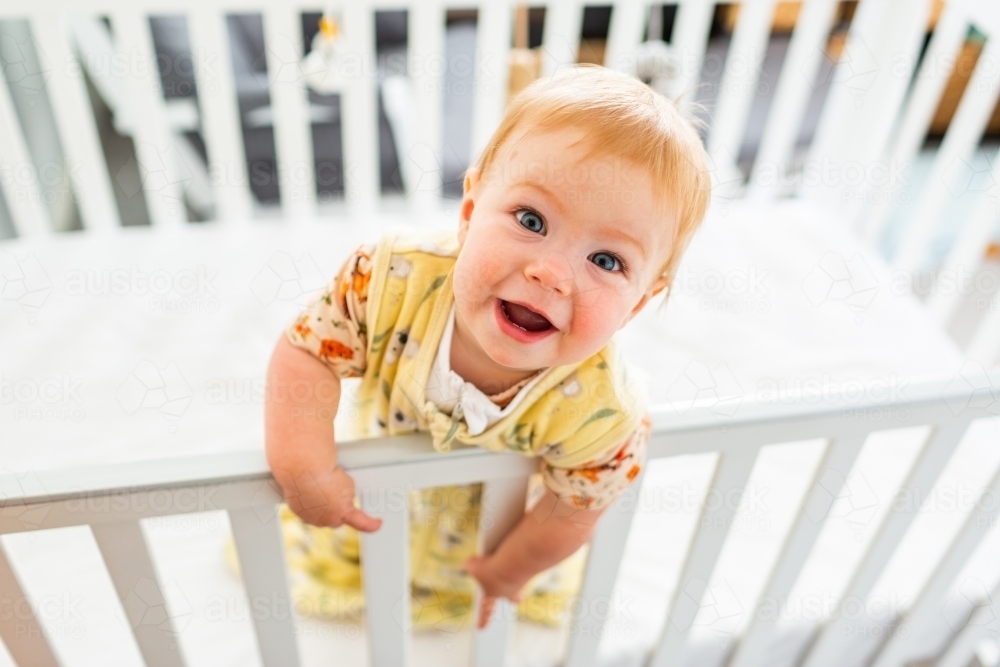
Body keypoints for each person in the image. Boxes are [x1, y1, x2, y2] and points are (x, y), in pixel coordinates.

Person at [263, 64, 712, 630]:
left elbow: (576, 505)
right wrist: (305, 469)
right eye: (531, 219)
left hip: (483, 549)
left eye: (606, 260)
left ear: (638, 304)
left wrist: (510, 570)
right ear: (471, 212)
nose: (551, 274)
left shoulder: (603, 409)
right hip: (363, 519)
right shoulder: (389, 282)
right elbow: (308, 351)